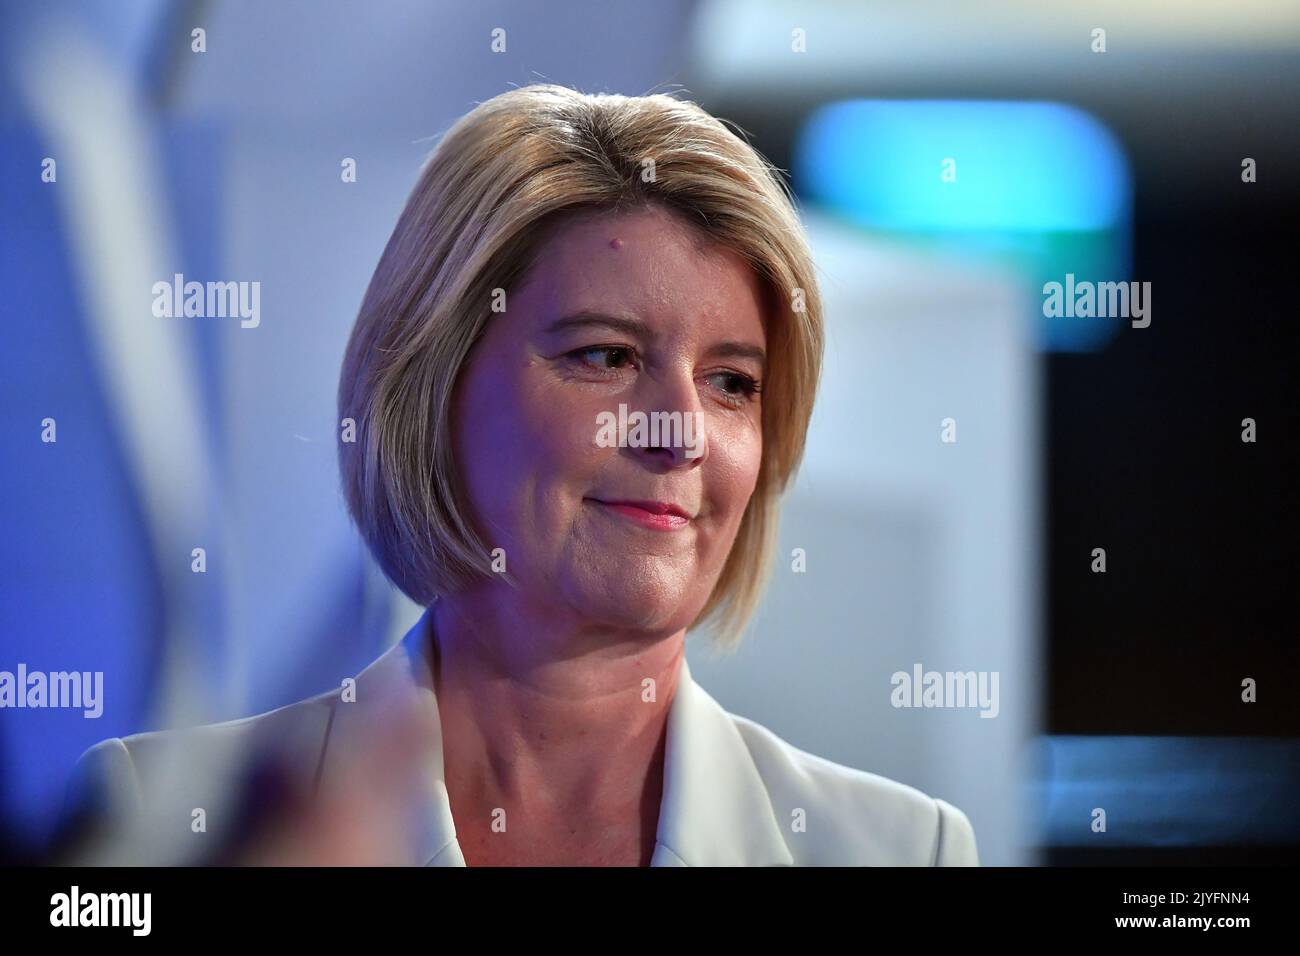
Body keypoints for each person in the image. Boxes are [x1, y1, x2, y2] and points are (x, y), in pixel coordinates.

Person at [68, 84, 978, 867]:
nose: (681, 433)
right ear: (433, 384)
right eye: (606, 356)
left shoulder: (903, 848)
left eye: (732, 382)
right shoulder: (166, 822)